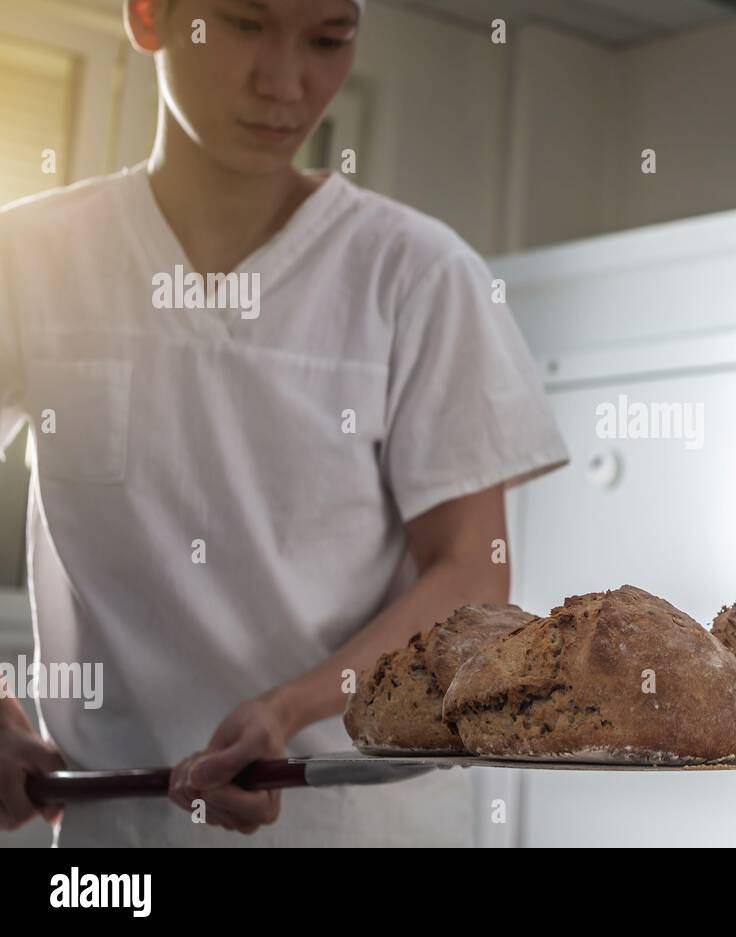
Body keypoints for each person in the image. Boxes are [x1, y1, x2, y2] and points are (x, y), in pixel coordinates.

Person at [0, 0, 568, 845]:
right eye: (241, 24)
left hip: (352, 816)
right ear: (149, 16)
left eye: (328, 40)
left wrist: (290, 707)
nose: (285, 81)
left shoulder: (416, 273)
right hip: (115, 835)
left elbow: (471, 571)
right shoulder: (31, 259)